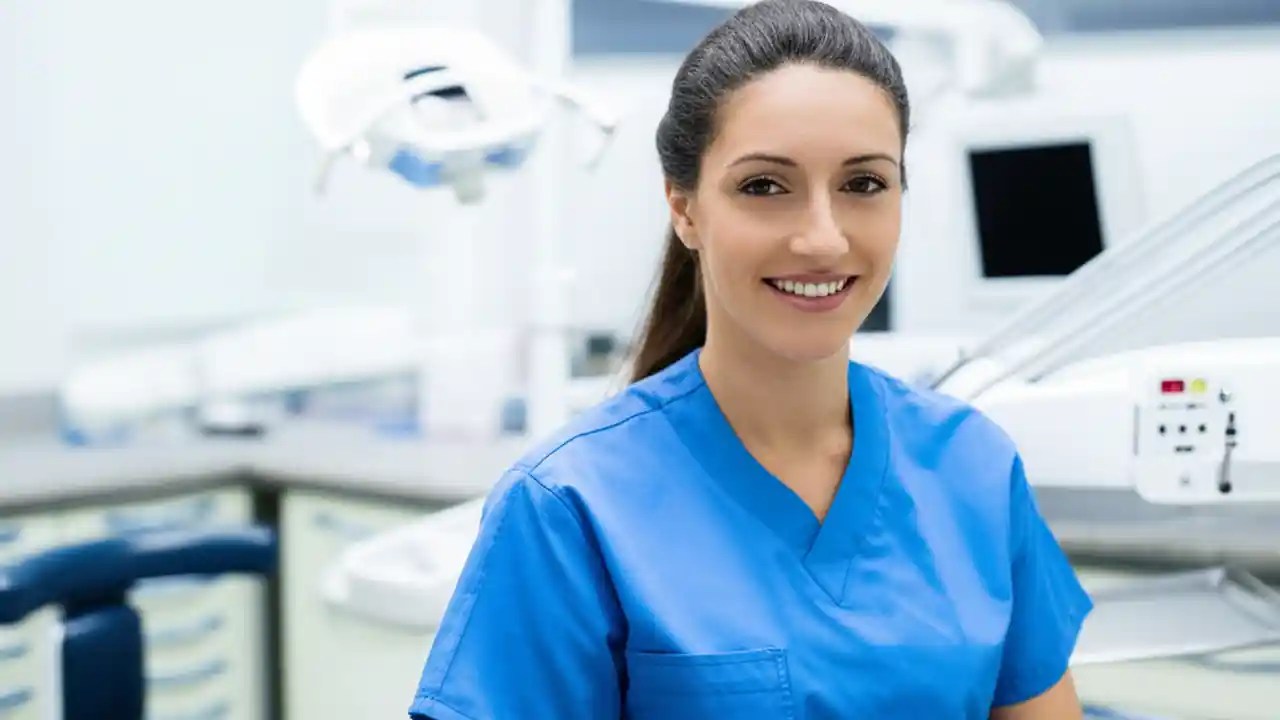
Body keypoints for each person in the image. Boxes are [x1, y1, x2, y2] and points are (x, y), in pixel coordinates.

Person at [408, 0, 1093, 717]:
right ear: (685, 208)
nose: (823, 239)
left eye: (863, 184)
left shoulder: (971, 468)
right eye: (765, 186)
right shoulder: (571, 508)